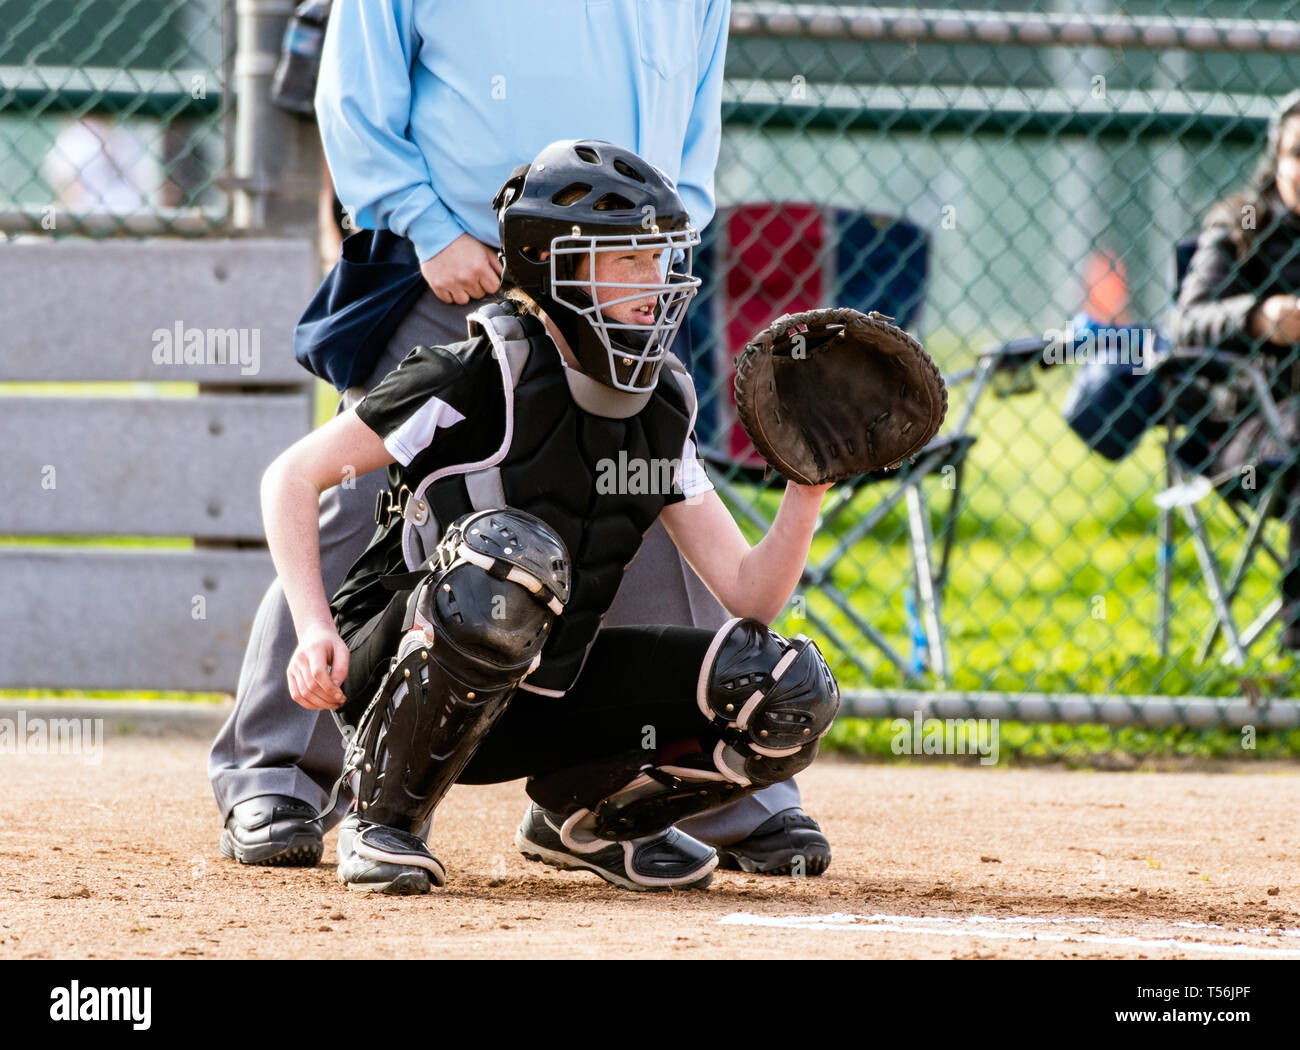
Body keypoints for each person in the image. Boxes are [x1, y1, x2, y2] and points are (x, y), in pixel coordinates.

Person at [210, 0, 833, 876]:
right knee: (376, 511)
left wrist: (661, 254)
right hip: (458, 256)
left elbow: (694, 122)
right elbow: (354, 96)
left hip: (625, 274)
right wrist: (424, 225)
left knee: (635, 498)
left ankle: (652, 797)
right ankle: (279, 770)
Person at [1170, 88, 1300, 651]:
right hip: (1251, 425)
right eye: (1297, 153)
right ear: (1277, 162)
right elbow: (1185, 323)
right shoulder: (1242, 227)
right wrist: (1258, 316)